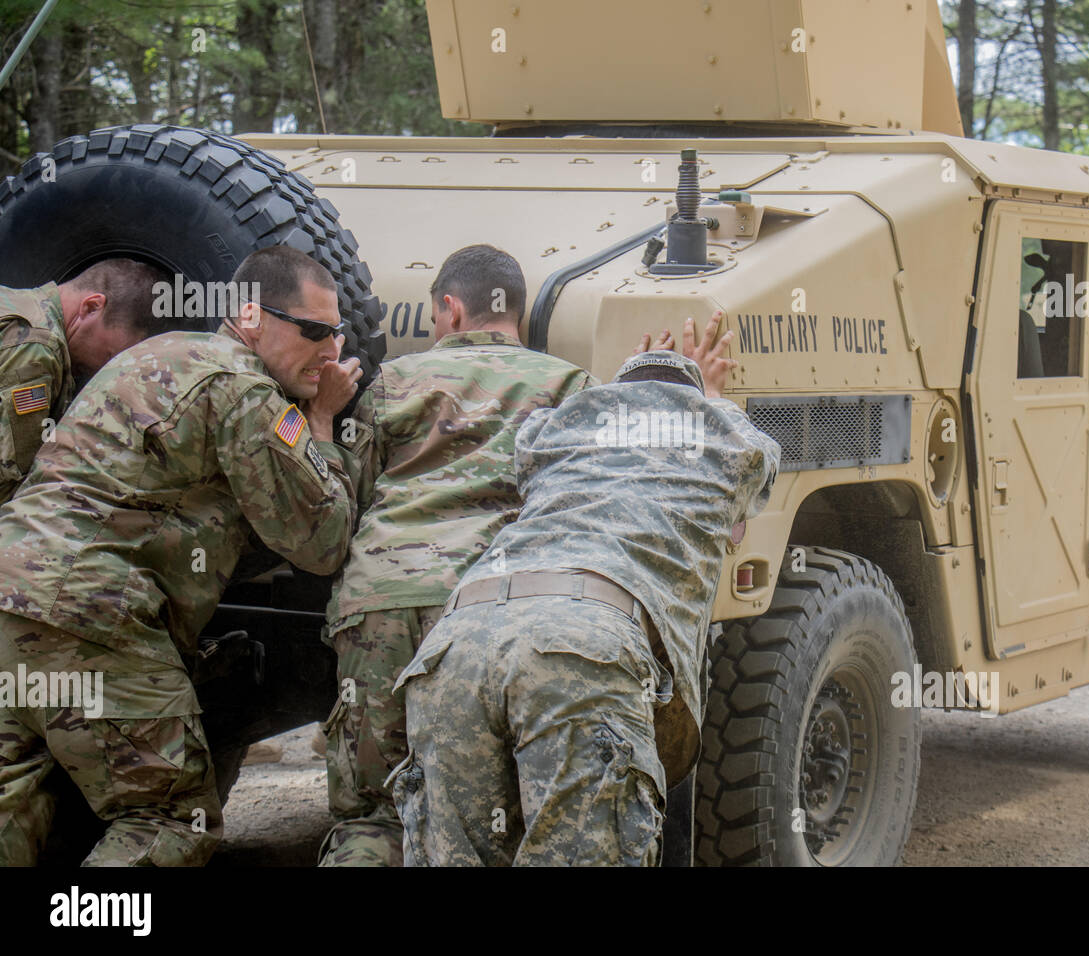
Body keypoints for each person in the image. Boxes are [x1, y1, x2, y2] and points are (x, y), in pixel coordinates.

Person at [0, 245, 362, 866]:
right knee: (169, 819)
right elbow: (322, 542)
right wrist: (323, 423)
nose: (331, 351)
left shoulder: (150, 354)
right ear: (251, 317)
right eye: (313, 331)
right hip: (91, 611)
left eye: (338, 333)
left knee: (15, 798)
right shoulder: (247, 392)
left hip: (12, 598)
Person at [393, 312, 781, 866]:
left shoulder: (552, 427)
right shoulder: (720, 432)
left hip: (455, 643)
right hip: (582, 643)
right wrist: (711, 398)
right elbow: (748, 486)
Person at [318, 244, 596, 867]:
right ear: (515, 312)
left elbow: (348, 503)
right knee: (485, 815)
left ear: (449, 309)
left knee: (373, 816)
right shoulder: (567, 385)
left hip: (380, 604)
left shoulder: (391, 382)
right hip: (491, 613)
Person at [0, 258, 171, 502]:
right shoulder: (37, 347)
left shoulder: (16, 302)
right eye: (112, 356)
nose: (105, 369)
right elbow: (9, 479)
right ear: (91, 307)